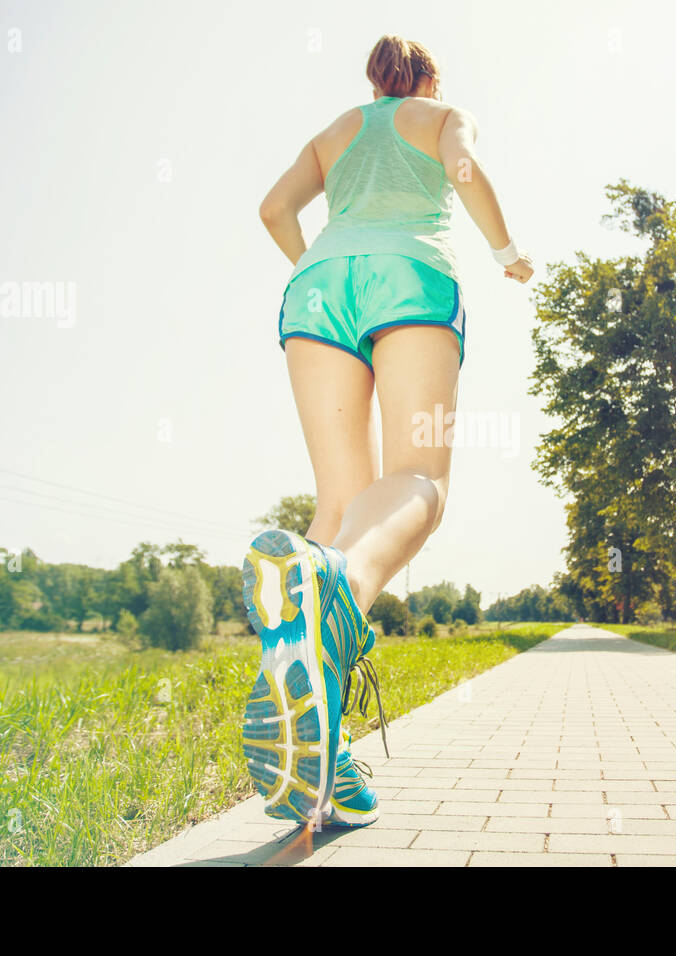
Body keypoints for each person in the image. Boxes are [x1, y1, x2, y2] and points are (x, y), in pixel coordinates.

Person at [242, 34, 533, 831]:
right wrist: (507, 252)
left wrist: (317, 264)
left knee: (338, 505)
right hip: (411, 277)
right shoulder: (441, 117)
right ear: (426, 79)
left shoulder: (335, 132)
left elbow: (273, 210)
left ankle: (324, 749)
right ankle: (339, 596)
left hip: (315, 292)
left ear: (371, 82)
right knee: (420, 483)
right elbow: (466, 172)